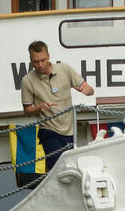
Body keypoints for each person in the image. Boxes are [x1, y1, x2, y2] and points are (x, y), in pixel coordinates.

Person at [20, 42, 94, 171]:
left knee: (70, 167)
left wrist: (86, 90)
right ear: (31, 61)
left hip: (70, 131)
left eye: (42, 60)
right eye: (35, 62)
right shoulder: (27, 80)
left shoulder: (64, 69)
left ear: (48, 56)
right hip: (48, 130)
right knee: (58, 167)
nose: (40, 65)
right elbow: (27, 111)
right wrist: (39, 108)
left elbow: (90, 90)